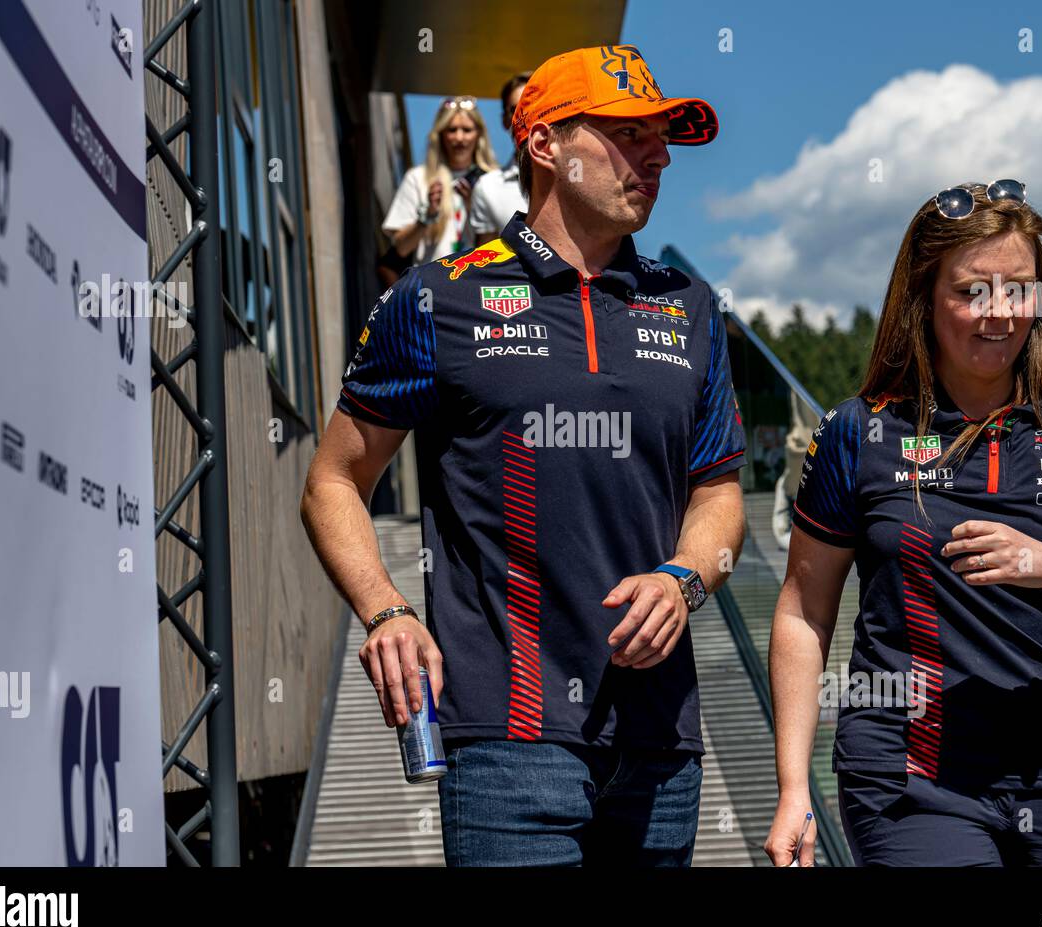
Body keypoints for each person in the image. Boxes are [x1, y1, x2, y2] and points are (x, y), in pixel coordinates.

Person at [301, 44, 743, 867]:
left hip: (661, 742)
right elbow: (333, 480)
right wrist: (386, 611)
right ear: (544, 145)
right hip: (506, 739)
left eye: (662, 138)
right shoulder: (437, 297)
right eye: (626, 134)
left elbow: (718, 493)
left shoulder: (692, 308)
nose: (656, 155)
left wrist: (687, 576)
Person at [763, 181, 1042, 867]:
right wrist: (794, 786)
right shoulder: (857, 431)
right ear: (921, 296)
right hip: (910, 779)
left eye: (1020, 289)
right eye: (973, 291)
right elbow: (804, 611)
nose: (1001, 313)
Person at [382, 95, 497, 266]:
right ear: (440, 134)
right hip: (432, 287)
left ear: (479, 134)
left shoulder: (494, 181)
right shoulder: (418, 178)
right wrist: (427, 216)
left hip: (478, 285)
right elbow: (401, 248)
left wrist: (475, 209)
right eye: (451, 130)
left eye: (467, 130)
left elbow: (502, 249)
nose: (459, 138)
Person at [469, 72, 531, 246]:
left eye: (532, 106)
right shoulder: (487, 188)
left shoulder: (577, 176)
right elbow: (484, 264)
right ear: (505, 120)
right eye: (515, 110)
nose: (524, 117)